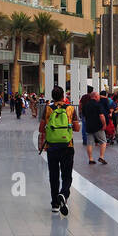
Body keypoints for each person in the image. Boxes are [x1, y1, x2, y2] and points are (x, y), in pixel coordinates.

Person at [38, 86, 79, 217]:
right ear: (63, 96)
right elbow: (77, 128)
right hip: (67, 145)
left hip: (52, 146)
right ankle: (64, 194)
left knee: (54, 175)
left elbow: (41, 128)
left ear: (53, 96)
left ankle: (55, 204)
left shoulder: (48, 108)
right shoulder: (70, 108)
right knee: (67, 175)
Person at [79, 85, 108, 165]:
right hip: (98, 126)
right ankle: (101, 157)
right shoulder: (98, 105)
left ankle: (91, 159)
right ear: (95, 96)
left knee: (90, 143)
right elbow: (101, 116)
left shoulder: (86, 105)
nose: (99, 98)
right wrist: (104, 124)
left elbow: (83, 115)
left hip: (89, 126)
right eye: (98, 96)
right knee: (103, 141)